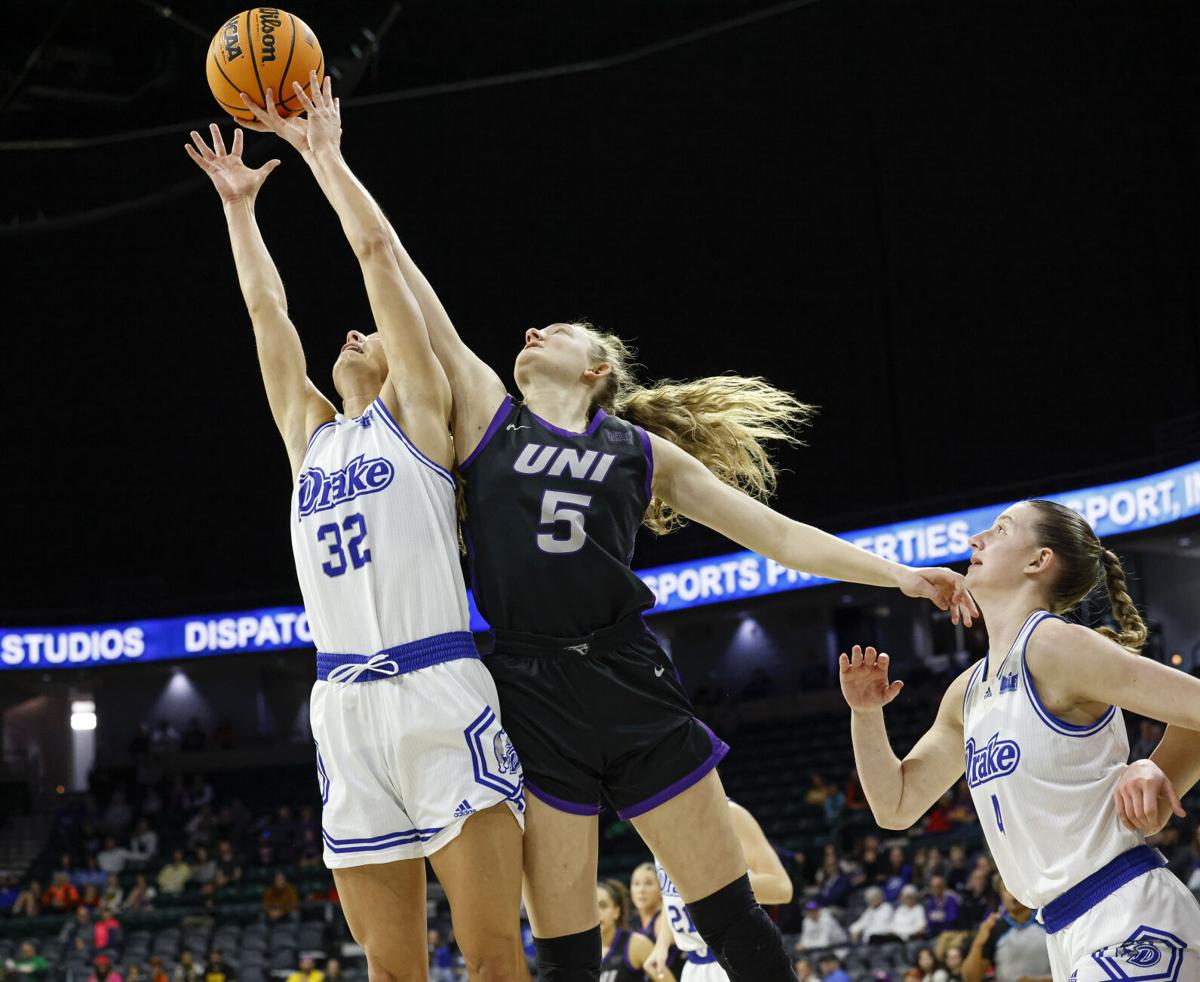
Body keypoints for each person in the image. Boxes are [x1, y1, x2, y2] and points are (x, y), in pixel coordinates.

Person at [322, 111, 977, 982]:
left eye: (557, 331)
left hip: (628, 677)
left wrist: (900, 576)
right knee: (565, 959)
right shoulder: (486, 416)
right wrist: (325, 156)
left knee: (735, 922)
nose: (531, 331)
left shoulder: (638, 451)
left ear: (597, 369)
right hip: (528, 691)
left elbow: (777, 535)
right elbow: (390, 261)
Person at [194, 74, 526, 981]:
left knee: (493, 956)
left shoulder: (418, 415)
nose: (354, 333)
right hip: (343, 705)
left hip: (438, 686)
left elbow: (376, 254)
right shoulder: (309, 436)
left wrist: (325, 160)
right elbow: (267, 313)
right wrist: (239, 210)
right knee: (389, 969)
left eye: (371, 335)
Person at [840, 499, 1200, 979]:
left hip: (1128, 914)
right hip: (1065, 929)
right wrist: (866, 715)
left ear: (1039, 560)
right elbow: (896, 806)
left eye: (1001, 530)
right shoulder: (967, 691)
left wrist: (1157, 769)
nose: (977, 539)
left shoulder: (1055, 645)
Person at [648, 800, 793, 979]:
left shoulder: (729, 813)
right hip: (694, 964)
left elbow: (782, 888)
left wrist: (717, 881)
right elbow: (673, 891)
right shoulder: (661, 819)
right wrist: (661, 944)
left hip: (739, 957)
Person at [960, 877, 1051, 982]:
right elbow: (971, 979)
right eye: (1007, 889)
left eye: (1016, 887)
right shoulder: (993, 929)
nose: (1013, 892)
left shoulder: (1046, 920)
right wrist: (978, 943)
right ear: (1001, 896)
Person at [596, 880, 675, 982]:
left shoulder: (636, 944)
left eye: (603, 905)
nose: (596, 912)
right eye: (590, 907)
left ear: (616, 911)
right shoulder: (582, 952)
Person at [630, 863, 682, 976]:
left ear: (661, 889)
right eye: (636, 884)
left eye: (648, 883)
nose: (641, 890)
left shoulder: (662, 921)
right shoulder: (632, 922)